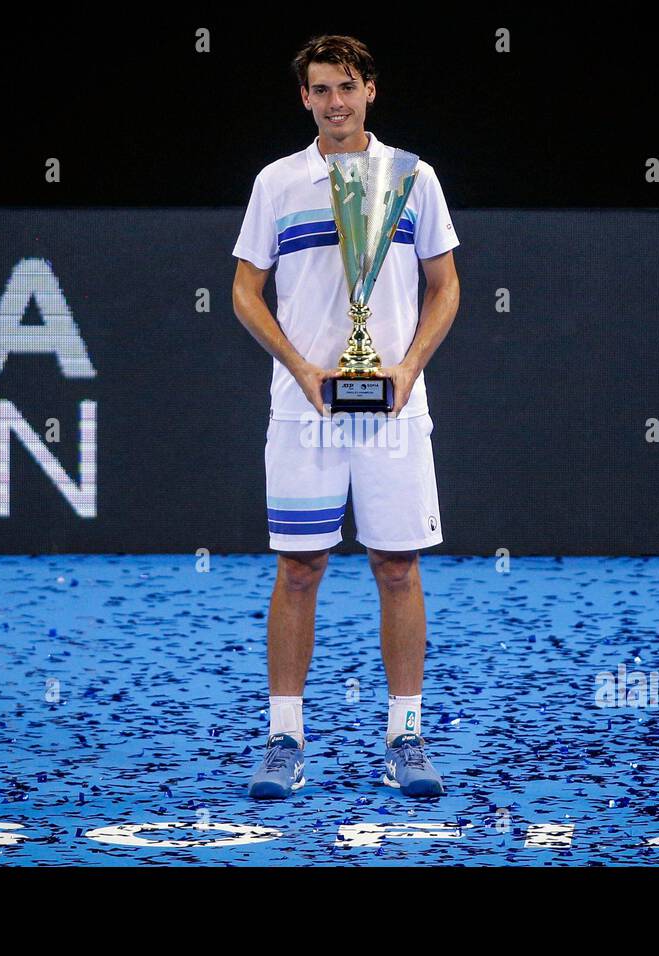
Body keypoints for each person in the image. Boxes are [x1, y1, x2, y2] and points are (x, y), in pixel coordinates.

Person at [231, 34, 461, 799]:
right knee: (299, 569)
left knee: (398, 566)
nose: (336, 101)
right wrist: (301, 372)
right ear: (305, 98)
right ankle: (283, 740)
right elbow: (244, 291)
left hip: (394, 410)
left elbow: (446, 286)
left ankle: (406, 737)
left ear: (371, 91)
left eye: (348, 87)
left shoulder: (413, 178)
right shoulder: (276, 182)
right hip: (303, 415)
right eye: (322, 89)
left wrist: (405, 370)